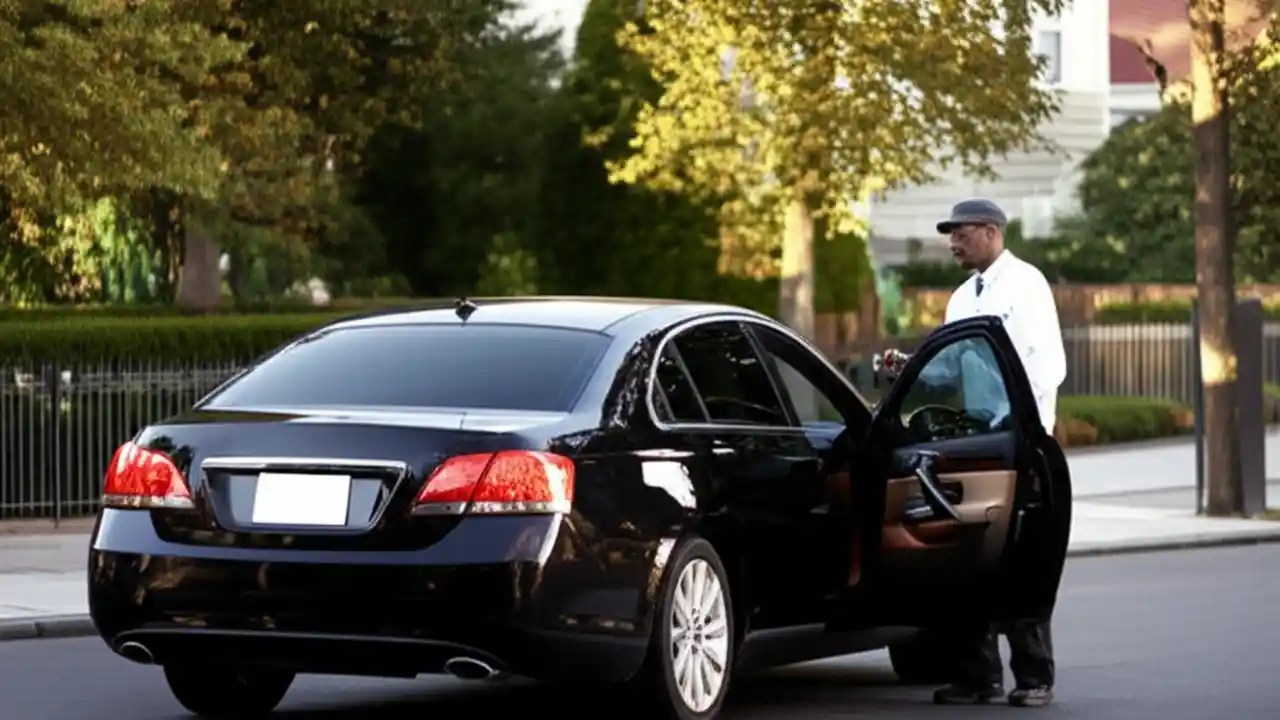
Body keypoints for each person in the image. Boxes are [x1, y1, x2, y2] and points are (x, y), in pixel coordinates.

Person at [921, 198, 1067, 708]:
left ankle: (1034, 677)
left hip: (1020, 444)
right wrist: (912, 367)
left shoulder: (1028, 285)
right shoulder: (961, 298)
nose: (953, 243)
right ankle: (978, 676)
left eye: (961, 233)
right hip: (978, 443)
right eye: (950, 234)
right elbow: (950, 369)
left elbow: (1048, 364)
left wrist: (1026, 428)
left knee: (1024, 558)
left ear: (990, 232)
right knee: (971, 557)